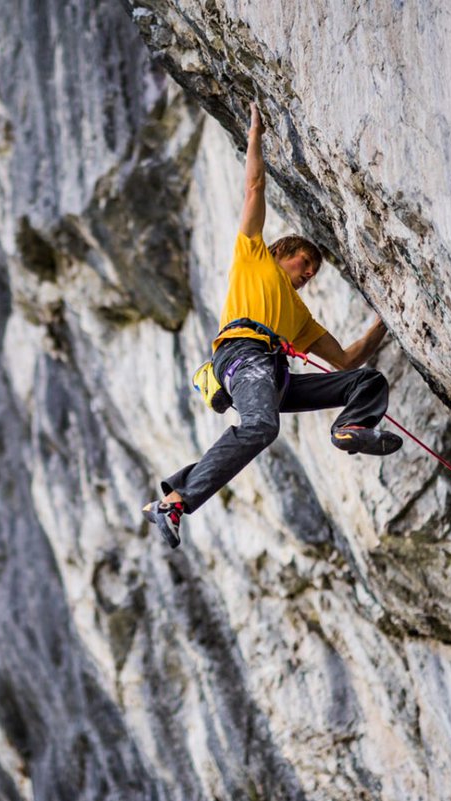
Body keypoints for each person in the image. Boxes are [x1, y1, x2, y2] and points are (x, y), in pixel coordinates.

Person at [143, 102, 402, 549]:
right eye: (304, 263)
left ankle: (351, 428)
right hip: (243, 355)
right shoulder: (254, 257)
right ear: (282, 252)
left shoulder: (300, 317)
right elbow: (254, 189)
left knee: (366, 379)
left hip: (274, 374)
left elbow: (345, 358)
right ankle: (177, 500)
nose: (308, 274)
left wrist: (390, 319)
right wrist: (255, 135)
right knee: (262, 427)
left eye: (314, 273)